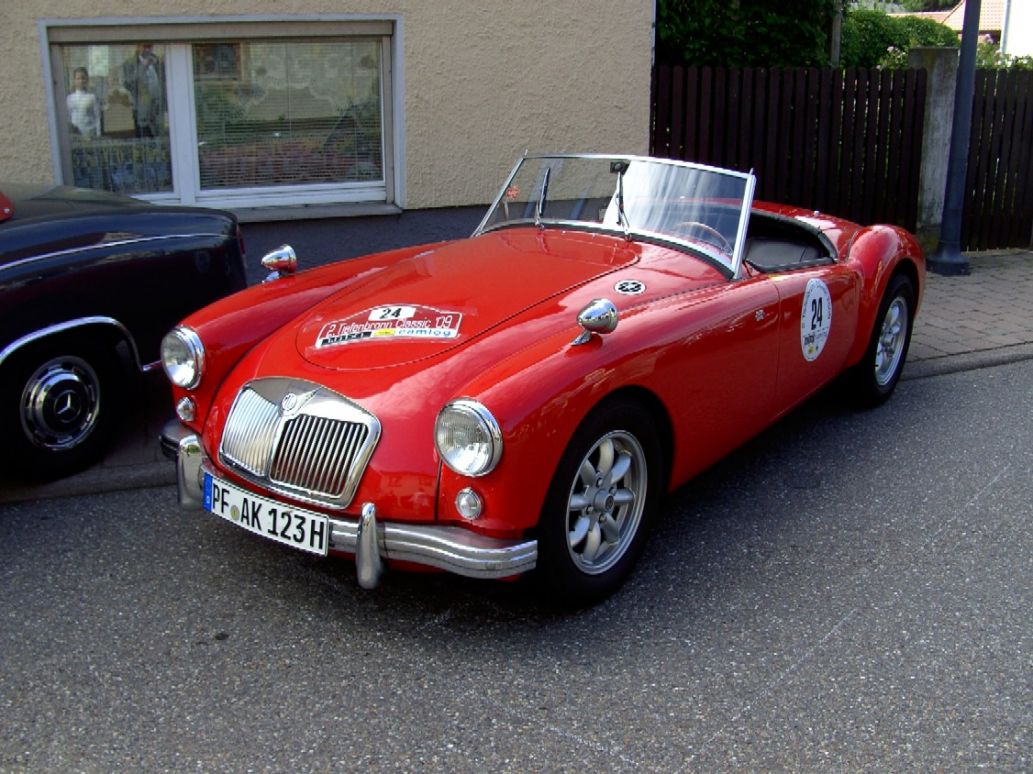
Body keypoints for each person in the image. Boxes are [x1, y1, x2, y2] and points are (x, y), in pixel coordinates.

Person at [121, 43, 165, 137]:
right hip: (142, 109)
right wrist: (142, 67)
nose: (148, 50)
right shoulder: (130, 63)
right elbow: (129, 84)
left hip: (158, 107)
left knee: (159, 136)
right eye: (145, 47)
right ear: (138, 47)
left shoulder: (157, 62)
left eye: (150, 47)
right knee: (144, 137)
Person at [66, 67, 100, 137]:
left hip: (89, 134)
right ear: (74, 80)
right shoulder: (69, 98)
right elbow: (68, 117)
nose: (81, 81)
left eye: (83, 78)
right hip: (75, 135)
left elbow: (97, 118)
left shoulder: (92, 97)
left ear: (87, 80)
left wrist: (98, 135)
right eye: (78, 78)